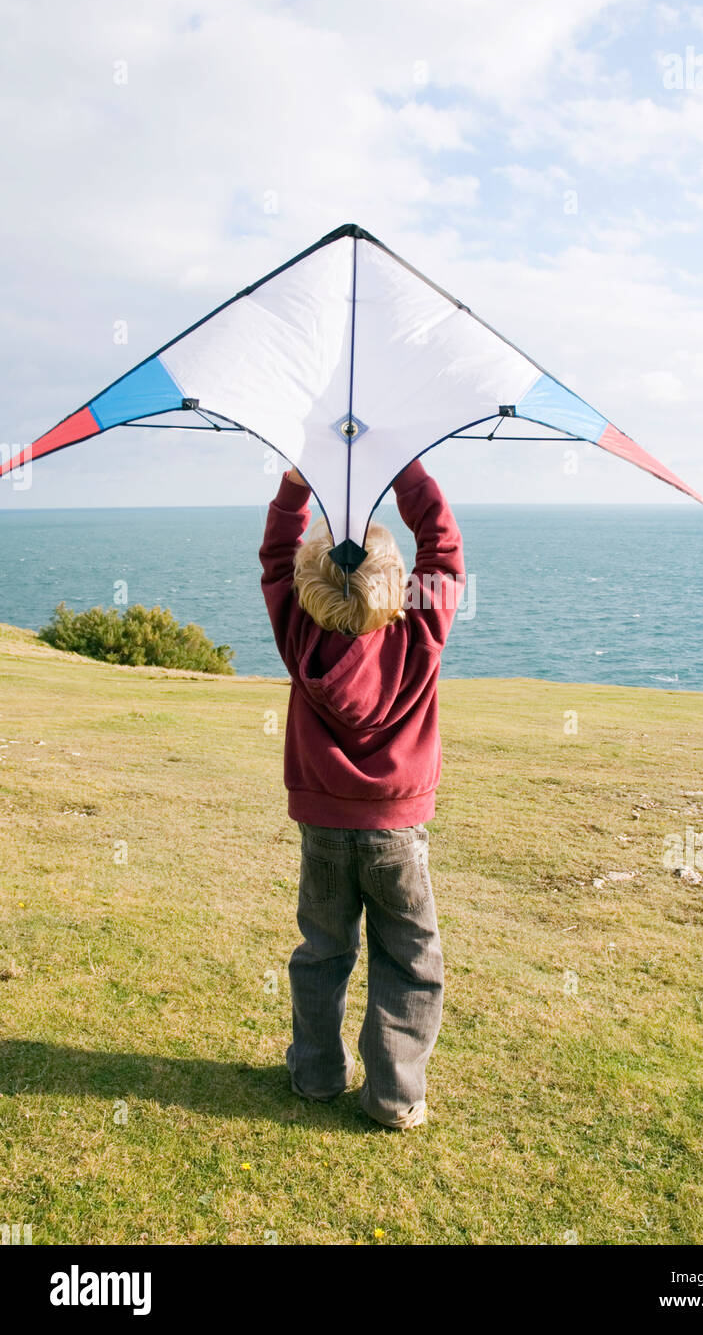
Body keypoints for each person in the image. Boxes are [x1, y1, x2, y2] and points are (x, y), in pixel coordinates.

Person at [258, 458, 464, 1130]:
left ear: (306, 585)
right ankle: (394, 1097)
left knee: (323, 951)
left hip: (322, 827)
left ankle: (316, 1074)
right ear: (397, 586)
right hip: (397, 833)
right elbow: (445, 548)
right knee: (409, 961)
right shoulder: (421, 634)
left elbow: (273, 556)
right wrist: (404, 467)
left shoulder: (299, 634)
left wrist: (298, 484)